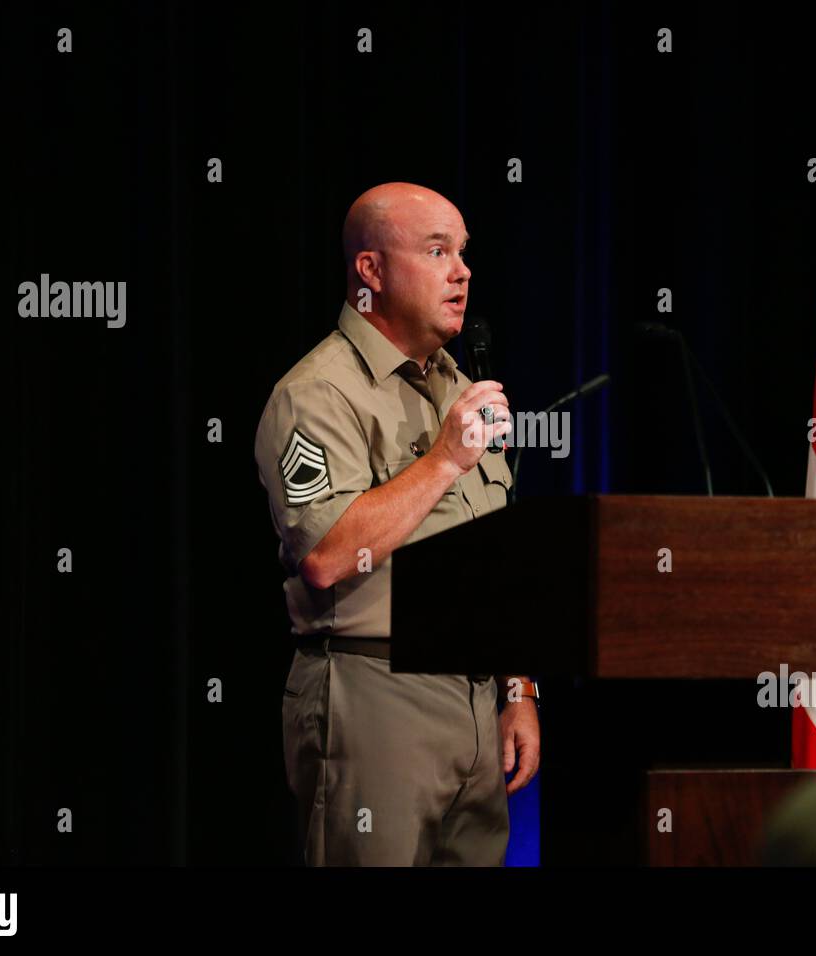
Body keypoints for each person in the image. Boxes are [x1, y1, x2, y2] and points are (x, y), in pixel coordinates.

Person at [253, 182, 540, 866]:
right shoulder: (316, 395)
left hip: (475, 705)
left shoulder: (457, 388)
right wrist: (444, 460)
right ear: (371, 272)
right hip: (373, 693)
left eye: (464, 252)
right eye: (437, 250)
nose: (462, 270)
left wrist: (518, 687)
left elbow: (495, 552)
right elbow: (324, 555)